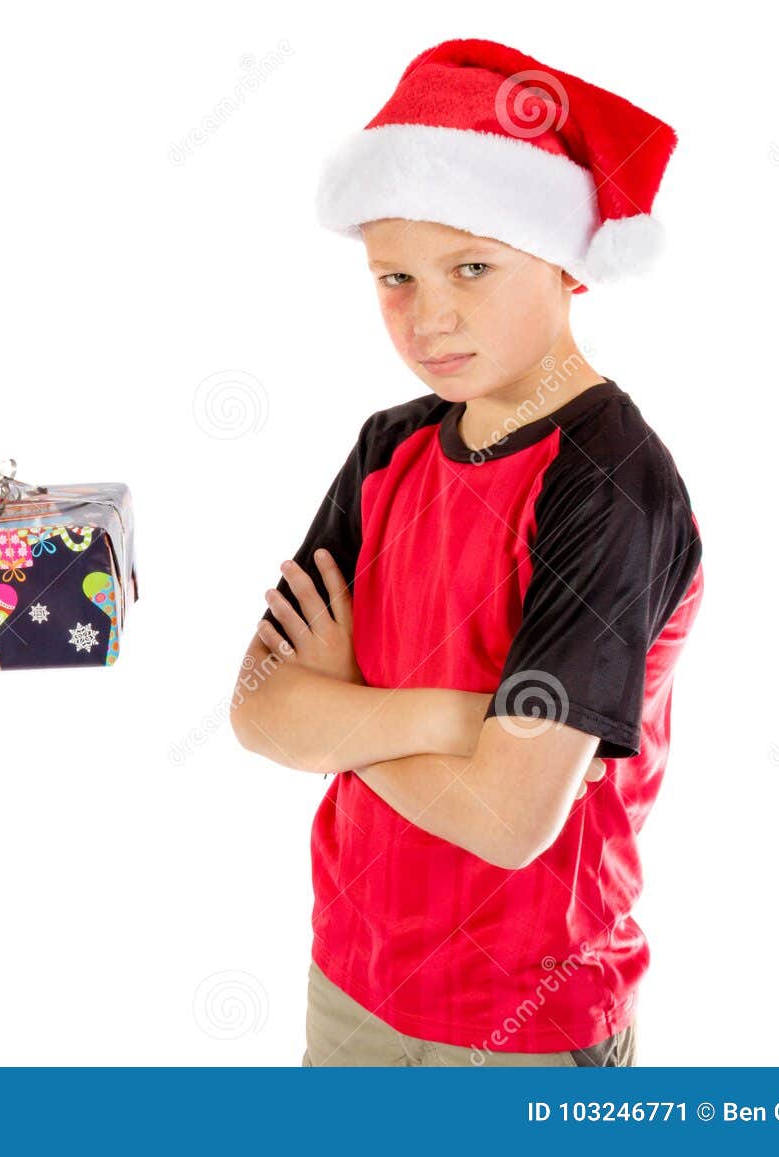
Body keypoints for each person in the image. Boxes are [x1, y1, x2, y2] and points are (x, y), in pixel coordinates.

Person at [229, 39, 704, 1067]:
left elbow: (506, 814)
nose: (427, 316)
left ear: (566, 262)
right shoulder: (387, 446)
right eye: (393, 275)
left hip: (523, 1020)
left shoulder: (608, 482)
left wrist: (341, 710)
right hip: (350, 977)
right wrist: (461, 718)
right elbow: (259, 709)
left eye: (472, 266)